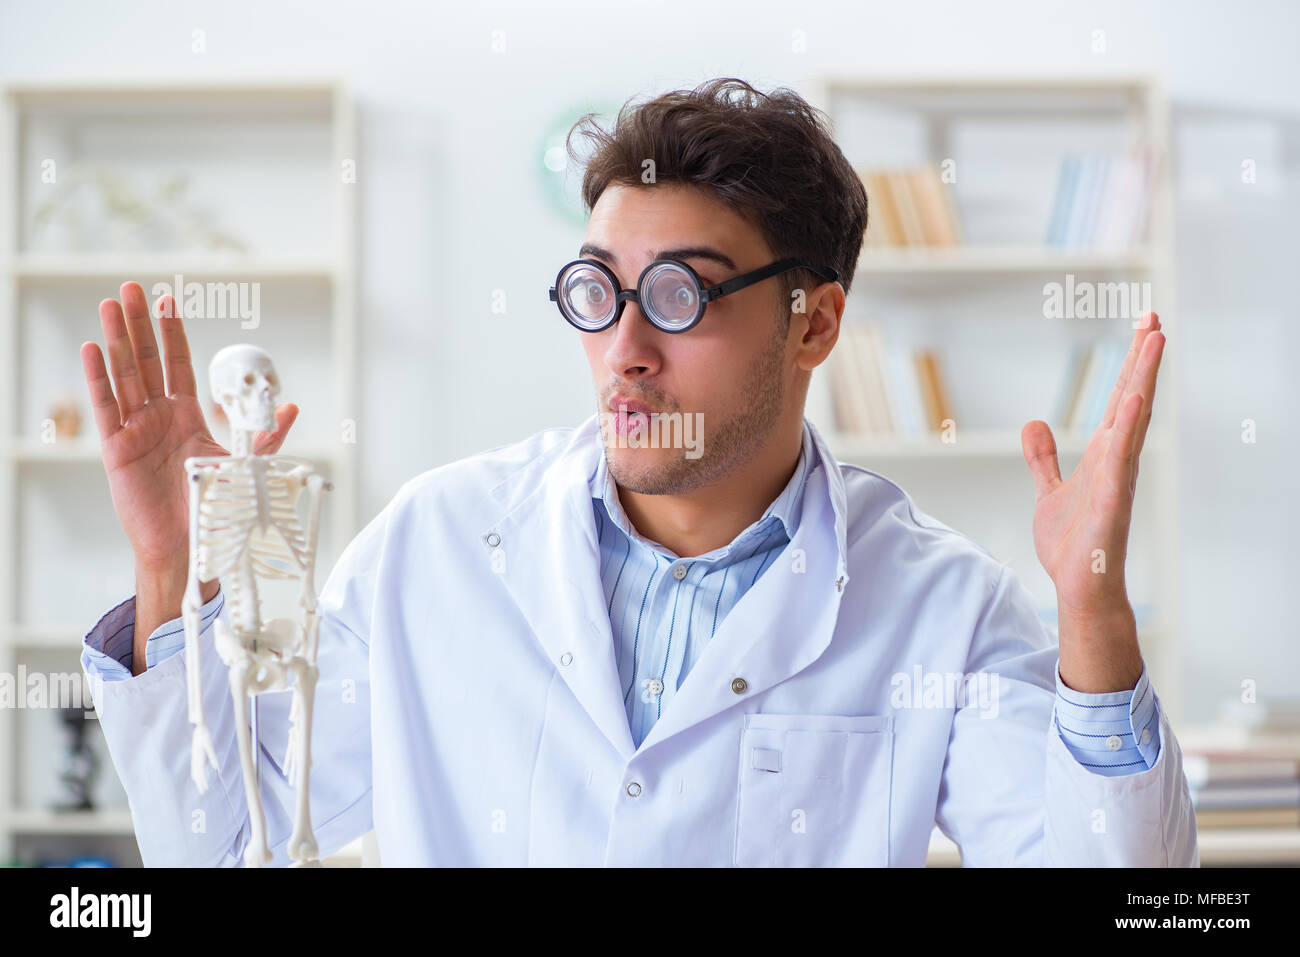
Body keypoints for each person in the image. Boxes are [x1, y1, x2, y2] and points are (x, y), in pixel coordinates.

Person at [78, 77, 1196, 867]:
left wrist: (1092, 620)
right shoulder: (437, 546)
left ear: (814, 325)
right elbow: (222, 845)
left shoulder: (937, 604)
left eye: (680, 295)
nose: (625, 348)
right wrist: (172, 571)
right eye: (598, 290)